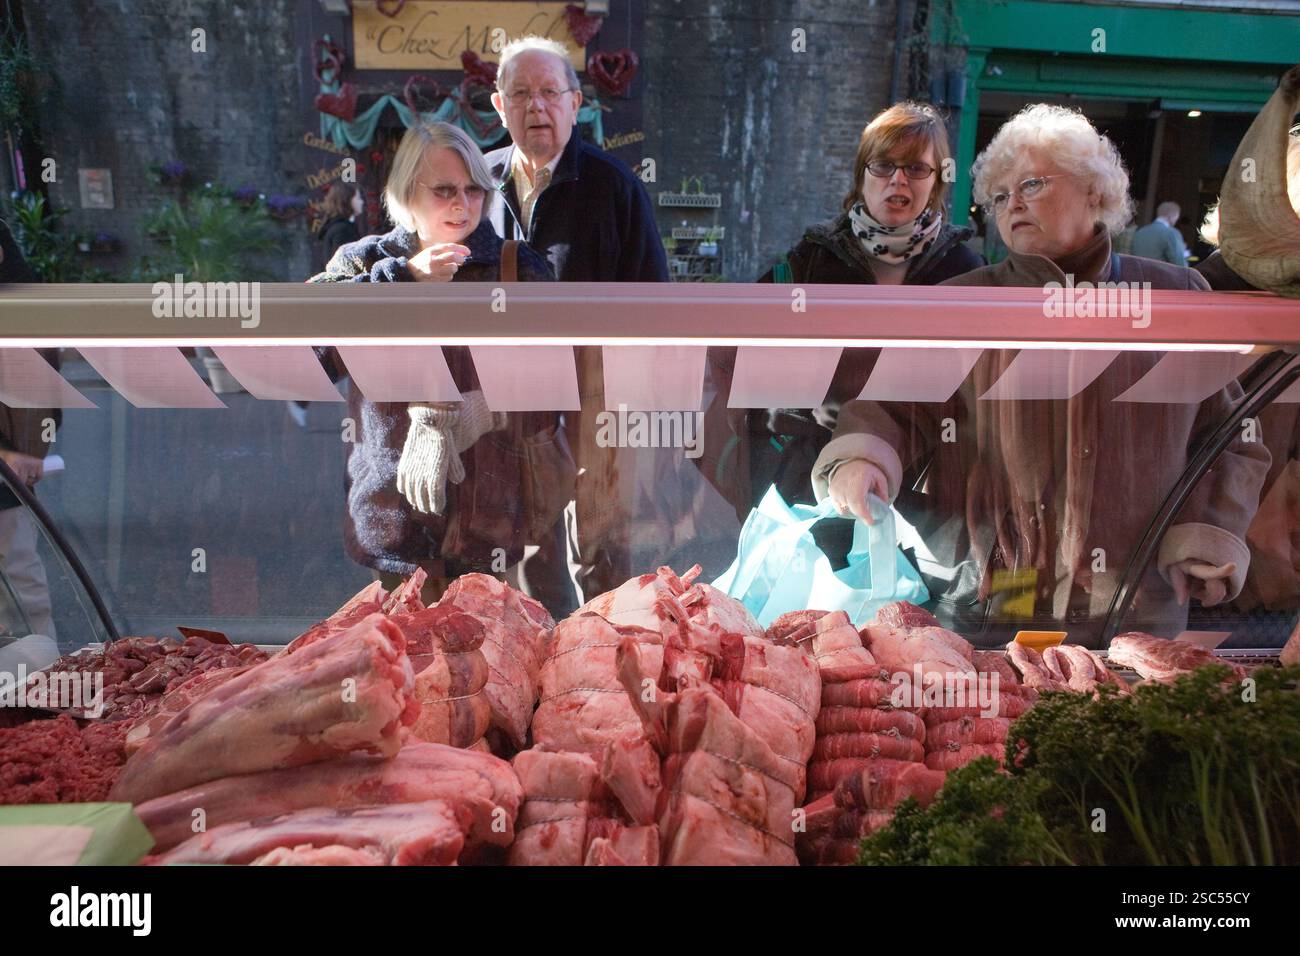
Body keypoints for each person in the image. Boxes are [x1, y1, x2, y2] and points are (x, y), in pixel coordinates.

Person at [814, 104, 1270, 642]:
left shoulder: (1174, 296)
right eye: (1000, 197)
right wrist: (862, 457)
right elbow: (892, 407)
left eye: (1031, 184)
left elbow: (1233, 437)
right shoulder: (961, 302)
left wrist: (1207, 534)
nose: (1013, 205)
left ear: (1094, 190)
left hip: (1135, 611)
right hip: (990, 600)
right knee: (988, 725)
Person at [310, 121, 556, 606]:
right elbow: (313, 357)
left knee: (483, 662)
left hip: (491, 516)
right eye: (444, 190)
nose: (462, 204)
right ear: (405, 192)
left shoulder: (518, 267)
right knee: (402, 664)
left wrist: (486, 409)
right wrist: (402, 282)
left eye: (474, 189)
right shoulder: (364, 262)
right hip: (392, 514)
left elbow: (557, 386)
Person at [486, 36, 669, 282]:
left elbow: (651, 293)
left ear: (574, 104)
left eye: (549, 91)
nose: (535, 105)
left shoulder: (617, 186)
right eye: (520, 93)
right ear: (500, 107)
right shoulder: (477, 178)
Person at [0, 218, 58, 640]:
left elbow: (41, 356)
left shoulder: (17, 286)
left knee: (21, 577)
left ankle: (40, 680)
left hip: (9, 481)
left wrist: (35, 445)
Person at [316, 183, 364, 263]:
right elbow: (343, 264)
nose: (361, 202)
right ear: (347, 200)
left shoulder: (338, 226)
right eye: (358, 198)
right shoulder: (342, 229)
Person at [1129, 201, 1188, 265]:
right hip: (1159, 274)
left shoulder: (1139, 232)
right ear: (1172, 216)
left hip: (1137, 274)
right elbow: (1181, 265)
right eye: (1177, 217)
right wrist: (1183, 252)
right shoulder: (1172, 233)